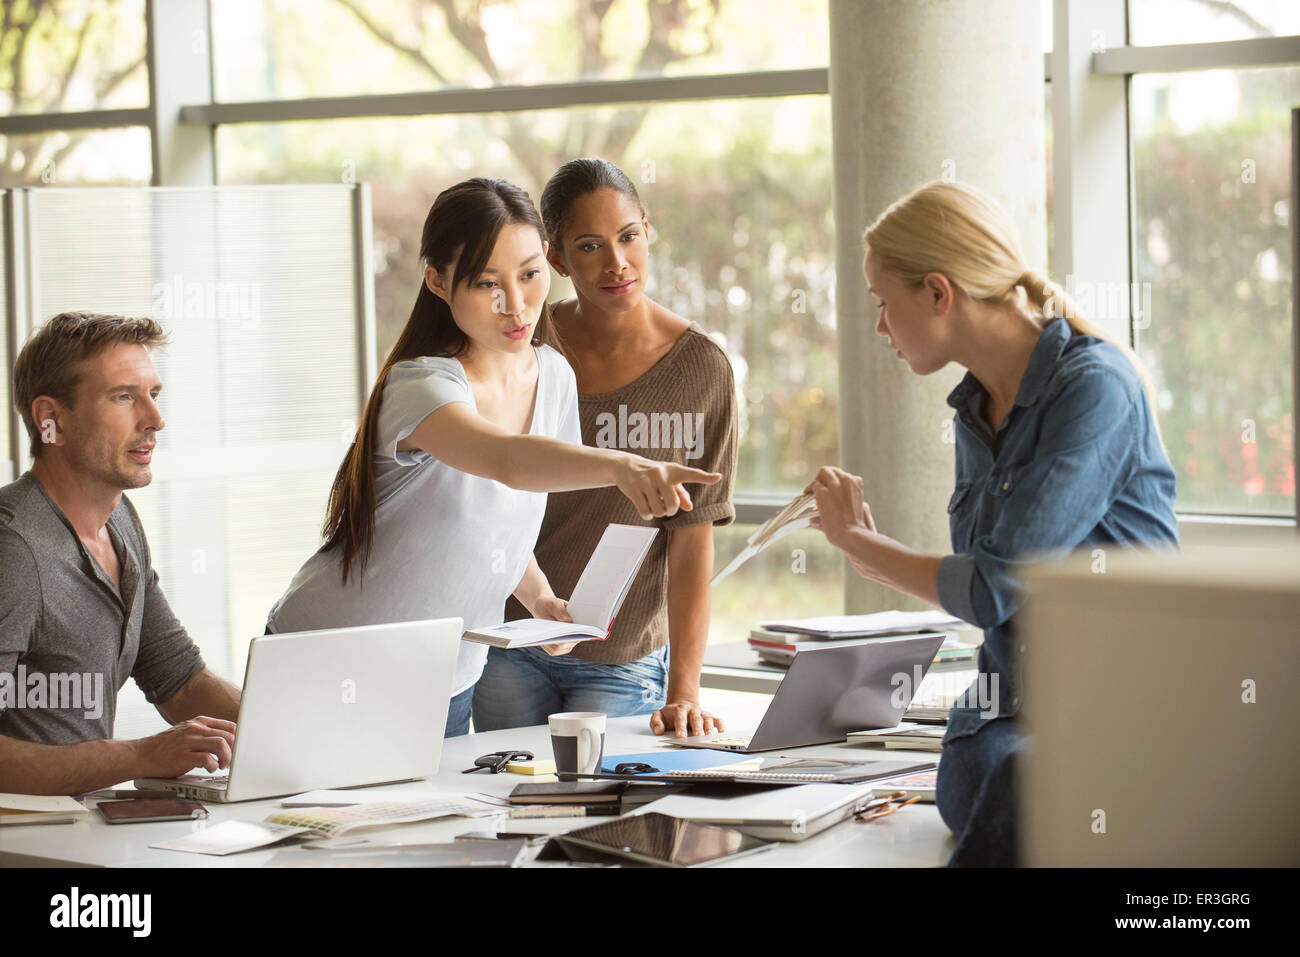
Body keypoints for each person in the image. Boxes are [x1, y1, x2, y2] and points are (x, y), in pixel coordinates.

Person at [804, 181, 1178, 866]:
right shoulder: (976, 409)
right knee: (992, 779)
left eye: (884, 304)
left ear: (939, 293)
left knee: (1017, 789)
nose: (880, 327)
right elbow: (991, 596)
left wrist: (859, 543)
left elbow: (995, 585)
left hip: (1120, 702)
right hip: (1008, 710)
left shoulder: (1095, 387)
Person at [265, 178, 720, 737]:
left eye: (529, 275)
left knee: (445, 823)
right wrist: (621, 465)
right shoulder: (421, 385)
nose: (517, 304)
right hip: (332, 660)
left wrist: (542, 598)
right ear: (438, 281)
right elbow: (506, 461)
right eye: (487, 283)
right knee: (319, 824)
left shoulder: (552, 374)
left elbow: (502, 514)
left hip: (449, 676)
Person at [472, 158, 738, 738]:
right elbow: (485, 489)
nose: (617, 263)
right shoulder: (527, 345)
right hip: (509, 640)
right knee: (505, 811)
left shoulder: (702, 369)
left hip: (622, 659)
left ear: (648, 229)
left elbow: (693, 538)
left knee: (610, 818)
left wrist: (685, 690)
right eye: (590, 246)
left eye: (629, 237)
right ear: (558, 258)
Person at [0, 312, 241, 795]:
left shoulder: (120, 523)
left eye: (153, 395)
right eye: (123, 397)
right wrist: (140, 755)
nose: (154, 420)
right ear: (51, 421)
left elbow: (180, 681)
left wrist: (299, 731)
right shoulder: (14, 550)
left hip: (81, 829)